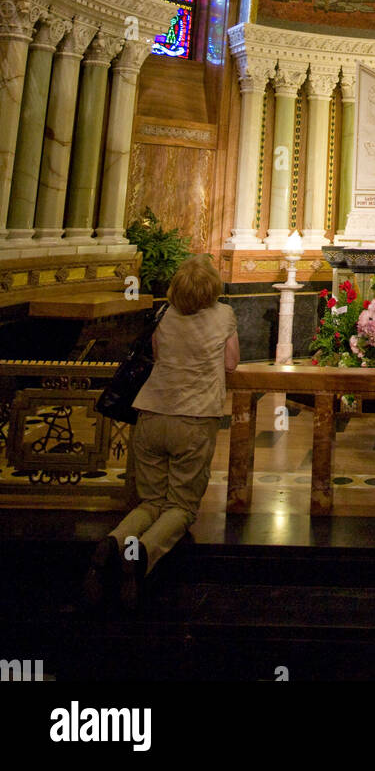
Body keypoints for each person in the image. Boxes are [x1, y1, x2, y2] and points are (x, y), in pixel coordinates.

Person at [82, 255, 239, 612]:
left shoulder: (164, 314)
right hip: (195, 418)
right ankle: (140, 558)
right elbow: (231, 363)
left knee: (151, 501)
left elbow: (154, 353)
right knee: (181, 506)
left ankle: (115, 541)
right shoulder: (224, 315)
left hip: (152, 412)